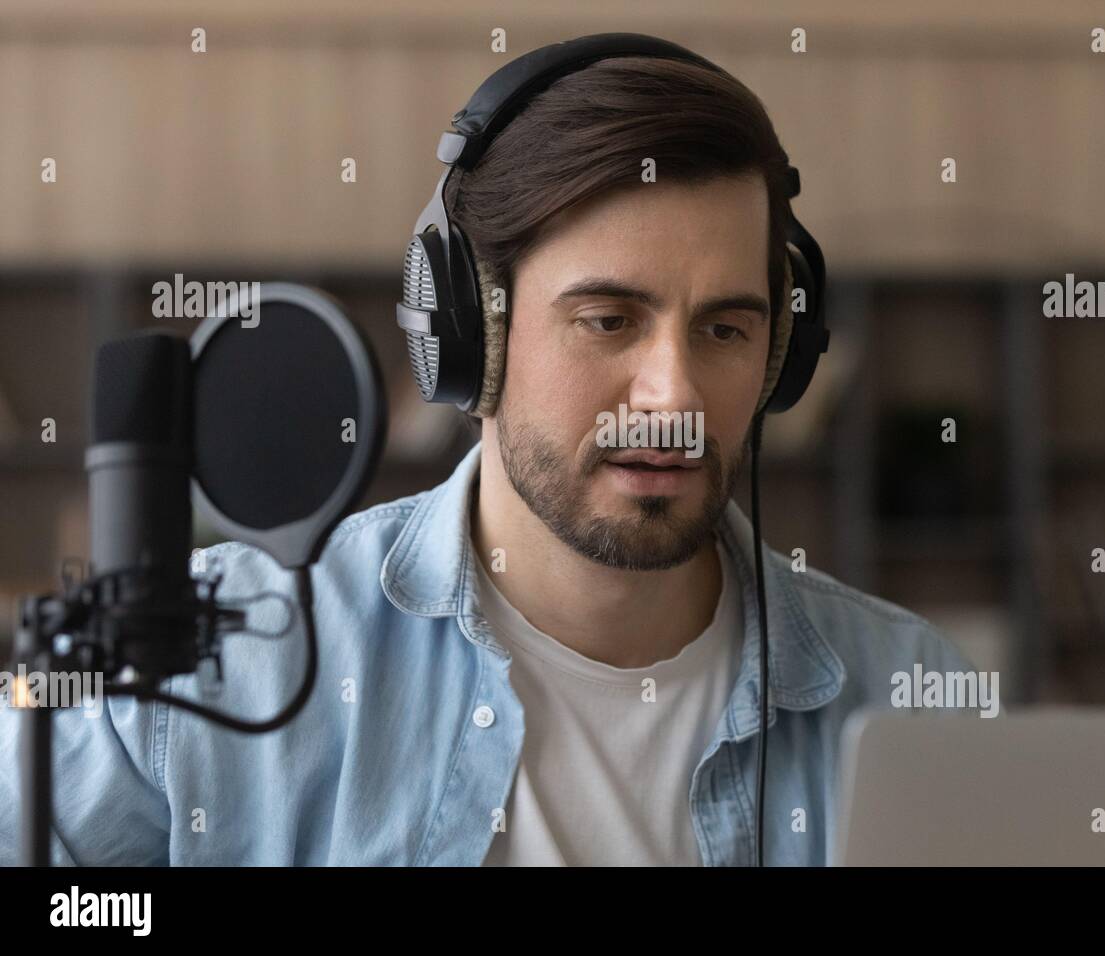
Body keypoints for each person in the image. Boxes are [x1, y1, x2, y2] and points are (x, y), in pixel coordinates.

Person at [0, 41, 974, 867]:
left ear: (781, 357)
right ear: (467, 338)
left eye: (724, 330)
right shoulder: (214, 665)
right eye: (607, 318)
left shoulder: (901, 694)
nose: (672, 395)